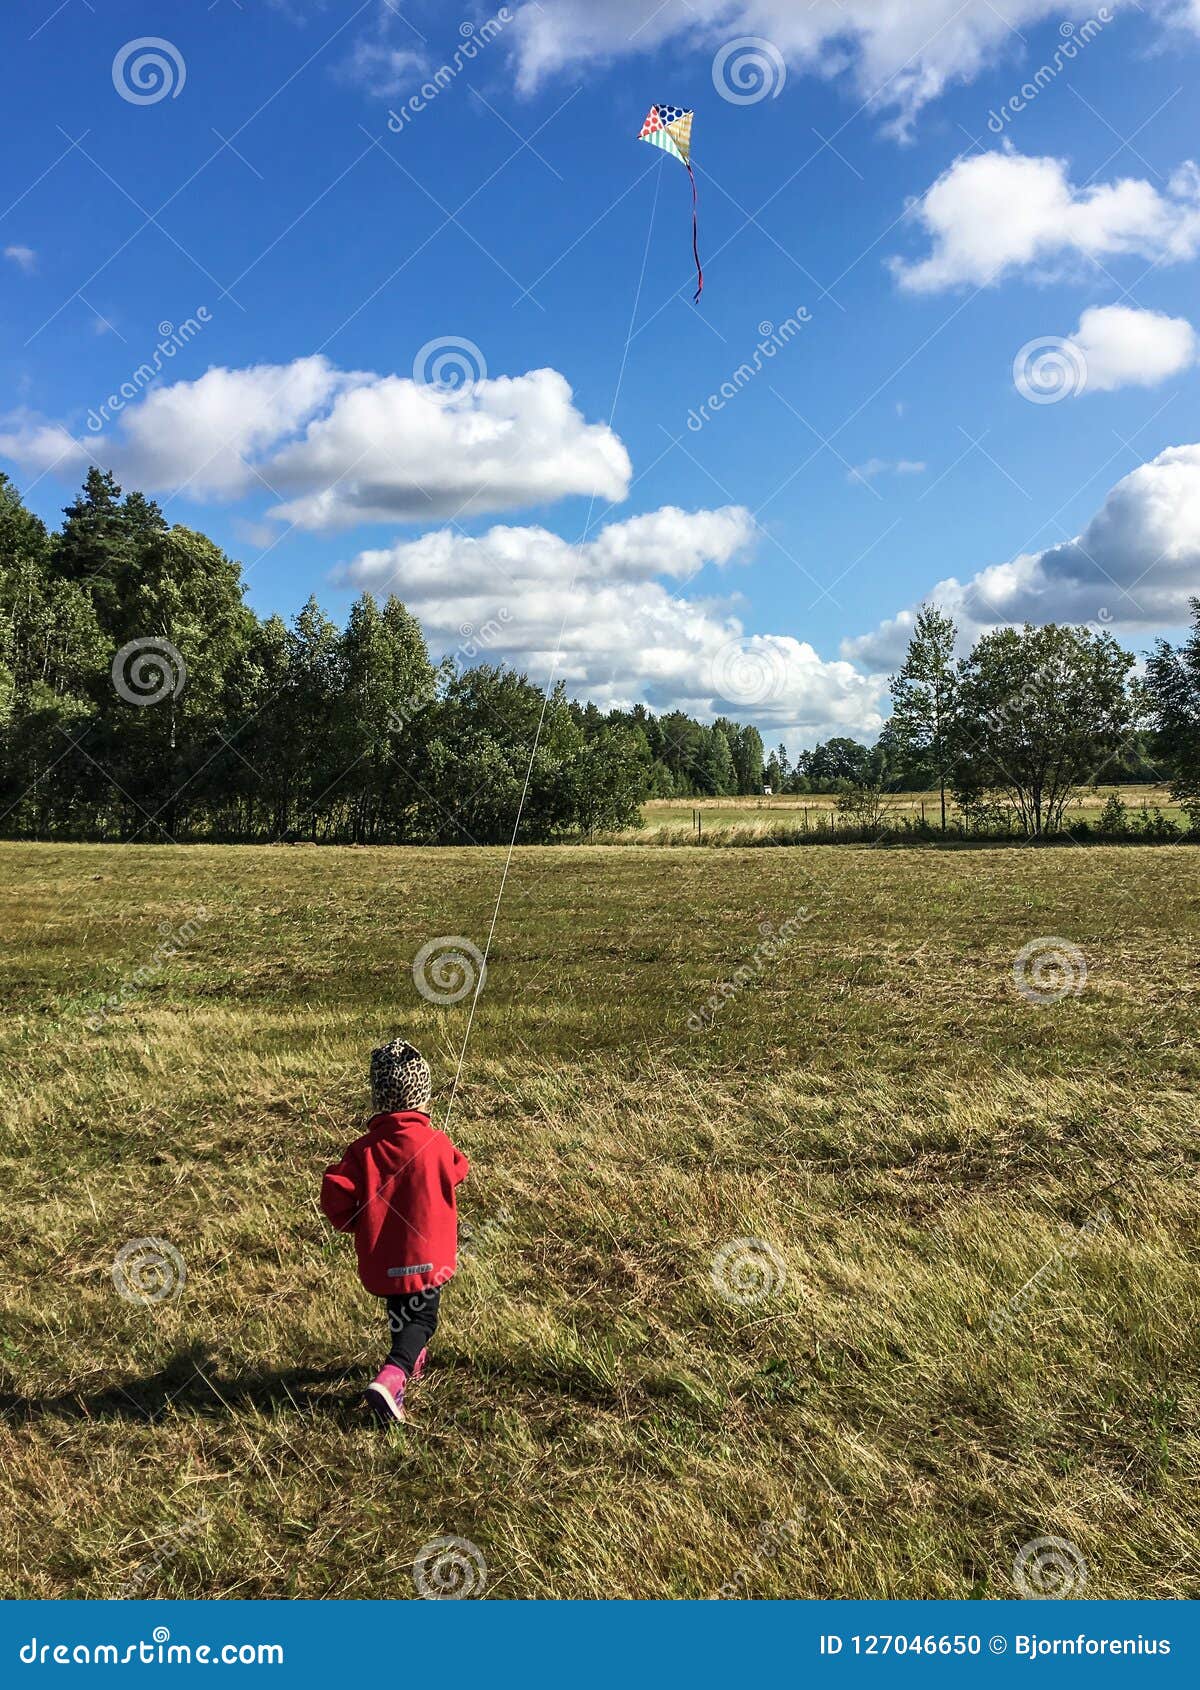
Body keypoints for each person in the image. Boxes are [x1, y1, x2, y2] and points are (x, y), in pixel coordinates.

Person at [320, 1038, 469, 1424]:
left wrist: (355, 1223)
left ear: (378, 1100)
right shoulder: (436, 1143)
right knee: (422, 1319)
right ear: (424, 1099)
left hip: (385, 1261)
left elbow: (335, 1194)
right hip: (427, 1260)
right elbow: (458, 1169)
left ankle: (411, 1358)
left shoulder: (363, 1151)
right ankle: (392, 1377)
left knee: (401, 1313)